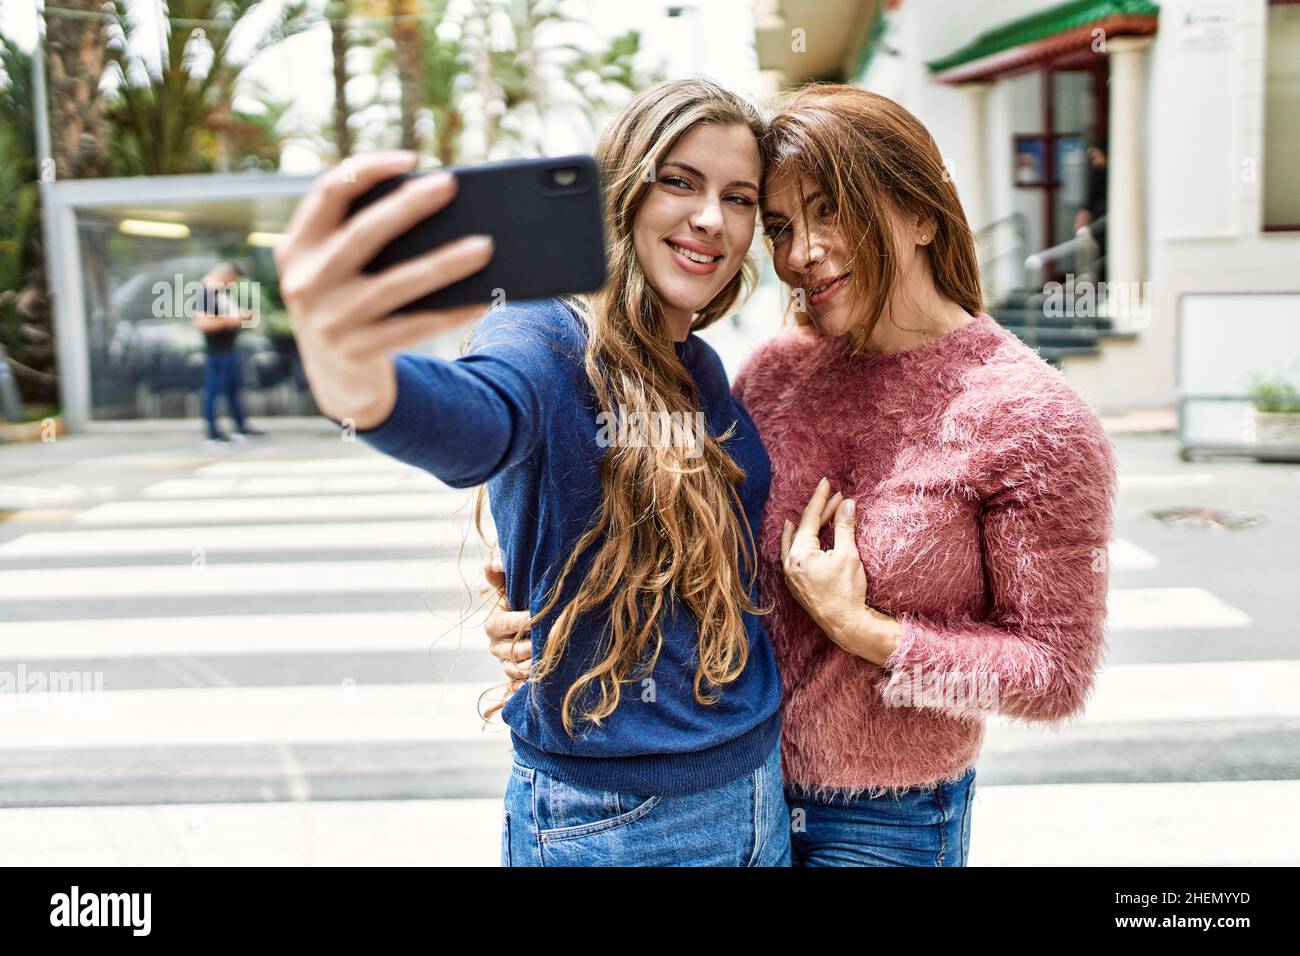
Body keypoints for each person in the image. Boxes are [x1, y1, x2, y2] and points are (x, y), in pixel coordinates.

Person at [487, 84, 1117, 868]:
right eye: (781, 225)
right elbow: (681, 549)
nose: (798, 253)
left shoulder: (1031, 416)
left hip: (885, 822)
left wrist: (867, 632)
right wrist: (554, 606)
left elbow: (1052, 674)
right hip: (726, 798)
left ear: (924, 214)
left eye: (831, 210)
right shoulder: (774, 374)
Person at [273, 78, 854, 866]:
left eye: (740, 197)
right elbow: (481, 420)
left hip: (756, 791)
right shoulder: (543, 330)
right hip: (618, 823)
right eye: (678, 181)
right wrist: (356, 379)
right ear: (621, 191)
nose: (712, 218)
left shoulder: (701, 366)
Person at [194, 261, 265, 445]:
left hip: (229, 349)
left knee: (234, 390)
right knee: (214, 391)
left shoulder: (221, 293)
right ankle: (212, 433)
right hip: (217, 352)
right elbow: (204, 323)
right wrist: (230, 320)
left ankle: (240, 427)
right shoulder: (206, 293)